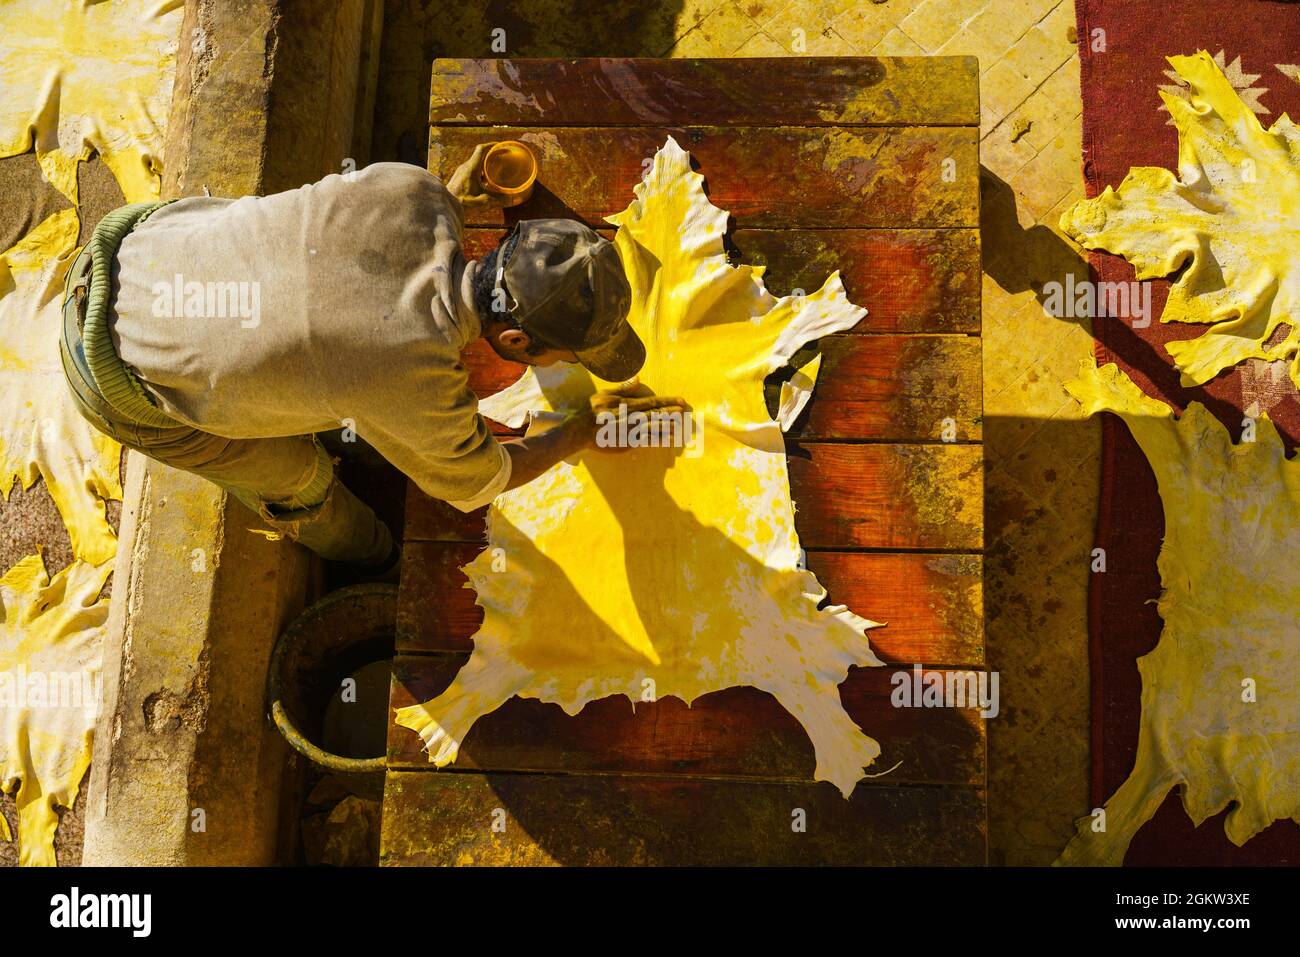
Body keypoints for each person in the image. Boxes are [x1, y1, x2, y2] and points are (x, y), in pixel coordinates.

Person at [59, 144, 682, 577]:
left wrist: (452, 195)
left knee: (314, 335)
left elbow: (390, 258)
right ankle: (375, 560)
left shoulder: (415, 187)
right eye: (568, 356)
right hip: (114, 370)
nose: (565, 366)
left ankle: (331, 414)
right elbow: (479, 483)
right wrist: (582, 431)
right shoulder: (414, 377)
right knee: (299, 477)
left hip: (137, 247)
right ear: (516, 343)